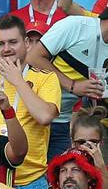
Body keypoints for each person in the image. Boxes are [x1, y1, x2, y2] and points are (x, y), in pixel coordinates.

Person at [0, 15, 60, 189]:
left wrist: (17, 80)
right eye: (1, 43)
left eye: (12, 42)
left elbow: (45, 116)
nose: (6, 48)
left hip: (30, 185)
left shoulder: (46, 79)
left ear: (26, 43)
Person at [28, 11, 108, 162]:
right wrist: (72, 85)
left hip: (62, 122)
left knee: (58, 177)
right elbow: (33, 57)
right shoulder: (76, 26)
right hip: (32, 116)